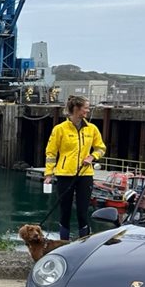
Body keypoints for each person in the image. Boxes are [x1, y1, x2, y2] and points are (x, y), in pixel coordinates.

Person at [43, 95, 106, 240]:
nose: (88, 111)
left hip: (85, 174)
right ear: (76, 108)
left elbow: (101, 148)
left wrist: (92, 157)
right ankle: (63, 243)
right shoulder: (60, 129)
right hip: (65, 174)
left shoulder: (92, 129)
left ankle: (84, 243)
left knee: (83, 212)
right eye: (86, 107)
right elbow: (51, 153)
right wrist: (48, 174)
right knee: (65, 211)